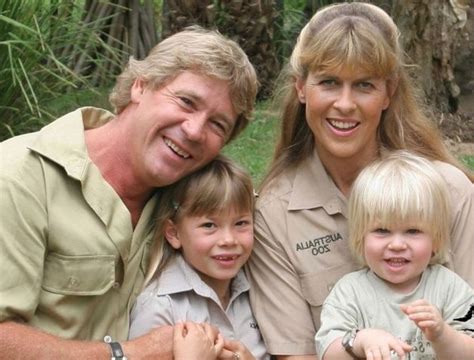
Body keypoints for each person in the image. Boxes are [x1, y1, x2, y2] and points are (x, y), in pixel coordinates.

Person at [0, 26, 258, 359]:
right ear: (140, 85)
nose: (194, 131)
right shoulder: (19, 174)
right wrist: (131, 354)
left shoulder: (185, 199)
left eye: (217, 124)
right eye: (186, 101)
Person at [245, 2, 474, 359]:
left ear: (389, 93)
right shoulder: (275, 214)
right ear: (302, 88)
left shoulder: (450, 191)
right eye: (329, 83)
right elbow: (296, 354)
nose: (345, 104)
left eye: (364, 85)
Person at [315, 151, 474, 360]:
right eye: (382, 230)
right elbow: (328, 352)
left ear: (435, 239)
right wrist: (361, 341)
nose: (397, 244)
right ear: (360, 237)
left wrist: (442, 334)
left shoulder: (451, 288)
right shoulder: (349, 292)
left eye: (413, 231)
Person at [128, 155, 269, 360]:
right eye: (209, 225)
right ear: (174, 234)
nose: (228, 240)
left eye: (241, 223)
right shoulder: (160, 308)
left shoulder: (259, 288)